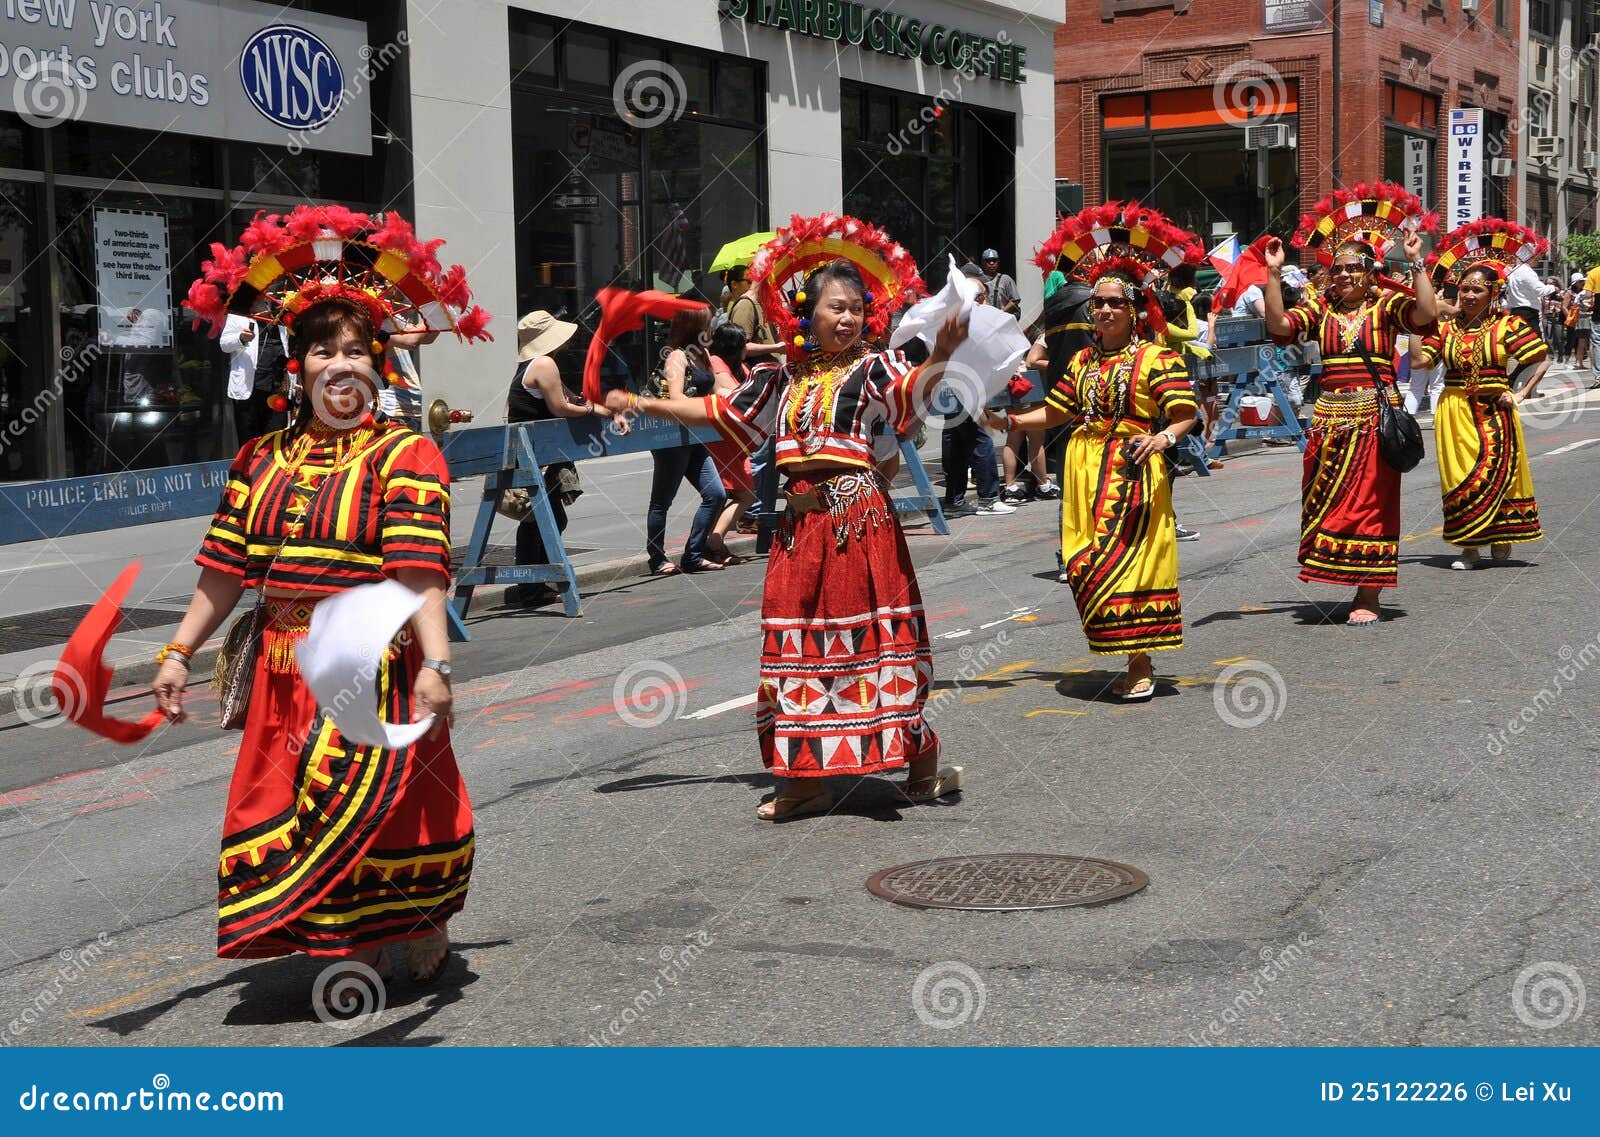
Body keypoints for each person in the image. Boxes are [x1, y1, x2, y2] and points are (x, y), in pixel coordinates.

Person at [164, 205, 492, 994]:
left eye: (356, 349)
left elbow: (419, 570)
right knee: (287, 802)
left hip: (371, 659)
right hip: (283, 665)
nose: (339, 363)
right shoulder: (258, 459)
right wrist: (178, 651)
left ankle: (418, 919)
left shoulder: (404, 453)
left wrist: (436, 664)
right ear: (296, 363)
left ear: (379, 363)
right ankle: (339, 934)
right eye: (322, 348)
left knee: (399, 804)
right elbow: (224, 567)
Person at [604, 217, 964, 820]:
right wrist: (640, 400)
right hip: (798, 530)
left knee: (868, 646)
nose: (847, 319)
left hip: (857, 525)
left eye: (855, 309)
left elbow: (912, 397)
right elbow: (716, 413)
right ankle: (804, 778)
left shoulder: (873, 369)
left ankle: (917, 755)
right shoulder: (780, 380)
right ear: (806, 314)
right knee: (794, 649)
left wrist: (945, 356)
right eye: (834, 308)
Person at [988, 264, 1200, 700]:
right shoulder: (1083, 360)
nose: (1103, 309)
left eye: (1115, 302)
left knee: (1129, 567)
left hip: (1133, 471)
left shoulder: (1158, 359)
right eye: (1098, 302)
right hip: (1084, 472)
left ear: (1135, 310)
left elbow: (1186, 415)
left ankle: (1139, 662)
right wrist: (1006, 419)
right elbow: (1057, 410)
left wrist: (1161, 438)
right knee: (1082, 564)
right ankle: (1131, 652)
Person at [1262, 183, 1438, 626]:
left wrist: (1416, 261)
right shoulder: (1320, 310)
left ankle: (1370, 594)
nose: (1342, 276)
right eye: (1337, 269)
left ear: (1369, 271)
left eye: (1352, 268)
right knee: (1327, 502)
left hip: (1373, 421)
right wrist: (1272, 274)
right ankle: (1343, 573)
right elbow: (1279, 324)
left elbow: (1427, 313)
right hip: (1328, 421)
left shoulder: (1386, 306)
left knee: (1373, 505)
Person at [1411, 223, 1550, 570]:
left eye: (1478, 290)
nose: (1470, 296)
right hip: (1454, 411)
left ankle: (1500, 532)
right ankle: (1469, 547)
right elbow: (1419, 361)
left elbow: (1541, 358)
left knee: (1496, 473)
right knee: (1459, 478)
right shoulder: (1445, 329)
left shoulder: (1508, 326)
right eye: (1465, 289)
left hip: (1494, 411)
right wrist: (1417, 319)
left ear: (1493, 293)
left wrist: (1520, 394)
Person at [506, 310, 621, 606]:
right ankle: (532, 587)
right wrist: (595, 411)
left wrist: (598, 408)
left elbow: (572, 399)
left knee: (545, 518)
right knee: (545, 519)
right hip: (535, 457)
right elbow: (560, 408)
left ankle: (533, 584)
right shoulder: (544, 363)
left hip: (535, 454)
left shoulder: (532, 364)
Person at [647, 307, 728, 574]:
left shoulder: (702, 355)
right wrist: (708, 406)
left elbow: (720, 389)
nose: (712, 325)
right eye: (708, 320)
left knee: (715, 494)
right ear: (694, 325)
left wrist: (747, 393)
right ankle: (656, 557)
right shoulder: (677, 357)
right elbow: (676, 398)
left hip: (695, 434)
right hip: (672, 436)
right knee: (662, 501)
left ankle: (693, 555)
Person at [940, 267, 1014, 516]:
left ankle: (955, 500)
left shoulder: (951, 318)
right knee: (980, 438)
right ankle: (989, 498)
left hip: (950, 385)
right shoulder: (974, 320)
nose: (984, 300)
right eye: (981, 296)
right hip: (967, 386)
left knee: (956, 442)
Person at [703, 322, 758, 562]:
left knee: (730, 493)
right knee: (744, 494)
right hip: (721, 436)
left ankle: (713, 541)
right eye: (743, 343)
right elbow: (734, 392)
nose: (747, 347)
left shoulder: (739, 365)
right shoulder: (716, 362)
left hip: (735, 438)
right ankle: (714, 541)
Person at [1000, 334, 1060, 504]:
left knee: (1013, 439)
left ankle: (1010, 486)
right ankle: (1043, 484)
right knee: (1036, 440)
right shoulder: (1042, 335)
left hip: (1011, 385)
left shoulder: (1002, 339)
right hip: (1027, 387)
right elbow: (1030, 362)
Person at [220, 313, 290, 442]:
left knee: (276, 440)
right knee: (250, 442)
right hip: (250, 389)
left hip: (277, 388)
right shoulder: (238, 315)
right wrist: (240, 338)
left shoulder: (281, 317)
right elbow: (224, 345)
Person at [721, 265, 786, 358]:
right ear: (734, 284)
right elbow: (742, 347)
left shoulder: (758, 303)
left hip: (771, 369)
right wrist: (776, 348)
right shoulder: (744, 305)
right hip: (759, 370)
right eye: (749, 281)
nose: (754, 283)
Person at [981, 247, 1021, 317]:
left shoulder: (1006, 279)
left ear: (998, 262)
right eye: (988, 260)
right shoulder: (978, 280)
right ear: (983, 263)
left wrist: (1001, 312)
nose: (991, 263)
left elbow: (1015, 300)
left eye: (994, 260)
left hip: (1002, 319)